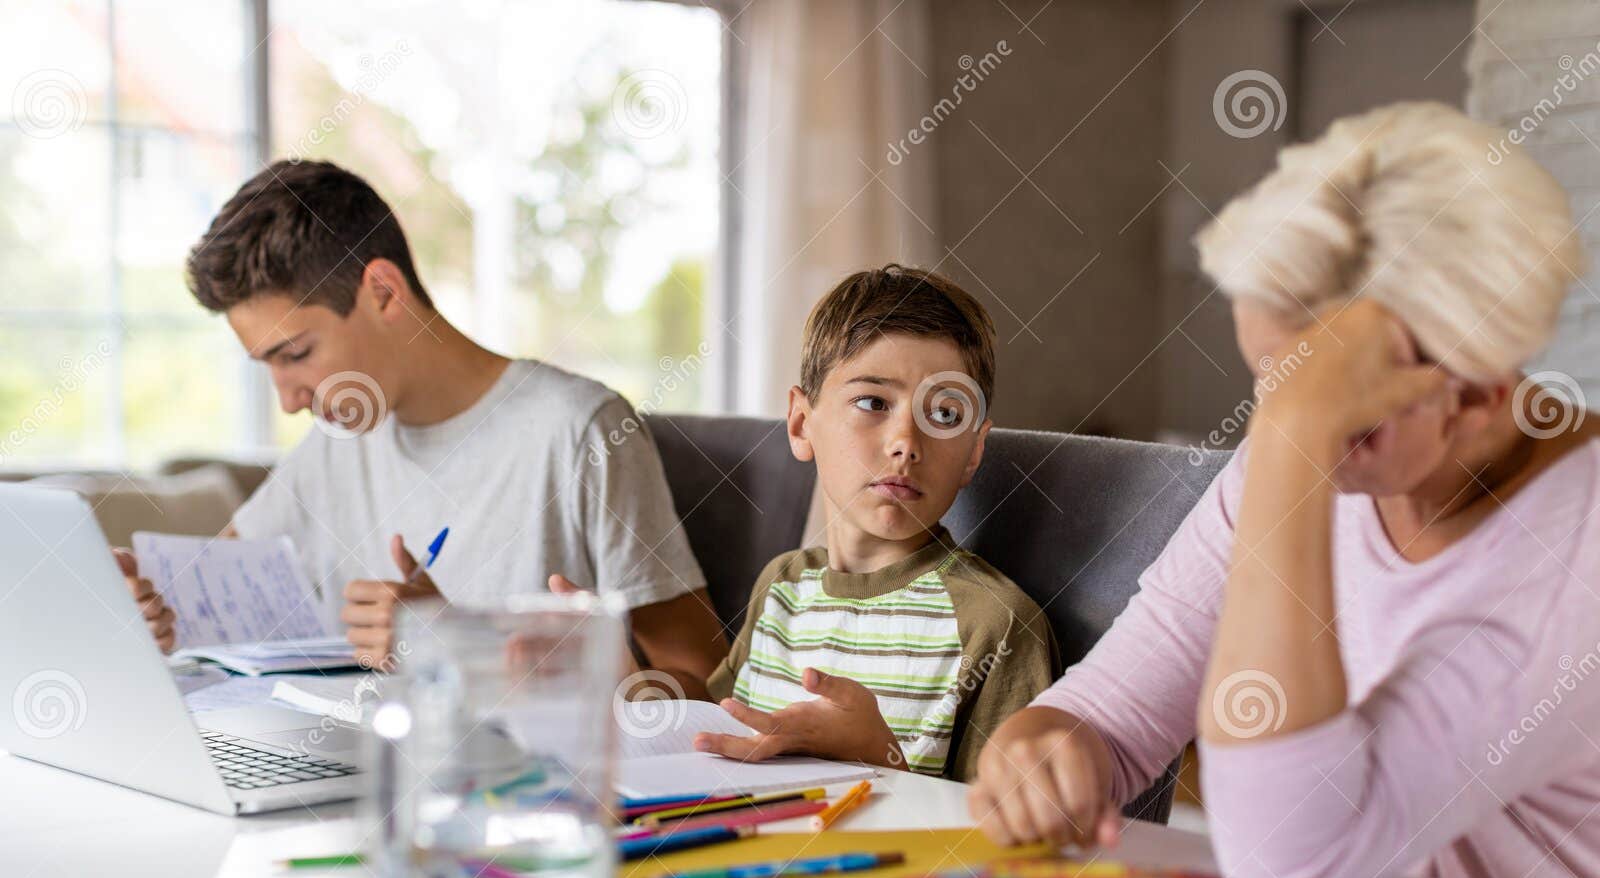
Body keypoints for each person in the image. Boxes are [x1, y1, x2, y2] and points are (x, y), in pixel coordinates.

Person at [971, 102, 1600, 878]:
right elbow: (1113, 713)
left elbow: (1288, 852)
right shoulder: (1298, 450)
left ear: (1477, 393)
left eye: (1318, 398)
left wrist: (1292, 441)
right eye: (1267, 377)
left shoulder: (1573, 550)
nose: (1272, 414)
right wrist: (1045, 748)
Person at [133, 159, 725, 692]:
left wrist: (463, 645)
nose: (287, 401)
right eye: (267, 365)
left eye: (296, 355)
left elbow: (706, 682)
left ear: (383, 292)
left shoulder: (582, 432)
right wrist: (151, 600)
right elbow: (205, 585)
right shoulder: (338, 443)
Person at [692, 265, 1058, 780]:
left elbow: (1008, 837)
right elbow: (712, 744)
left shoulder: (996, 626)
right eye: (872, 402)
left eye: (945, 415)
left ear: (974, 451)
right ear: (801, 424)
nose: (906, 442)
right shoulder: (780, 586)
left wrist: (879, 758)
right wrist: (619, 682)